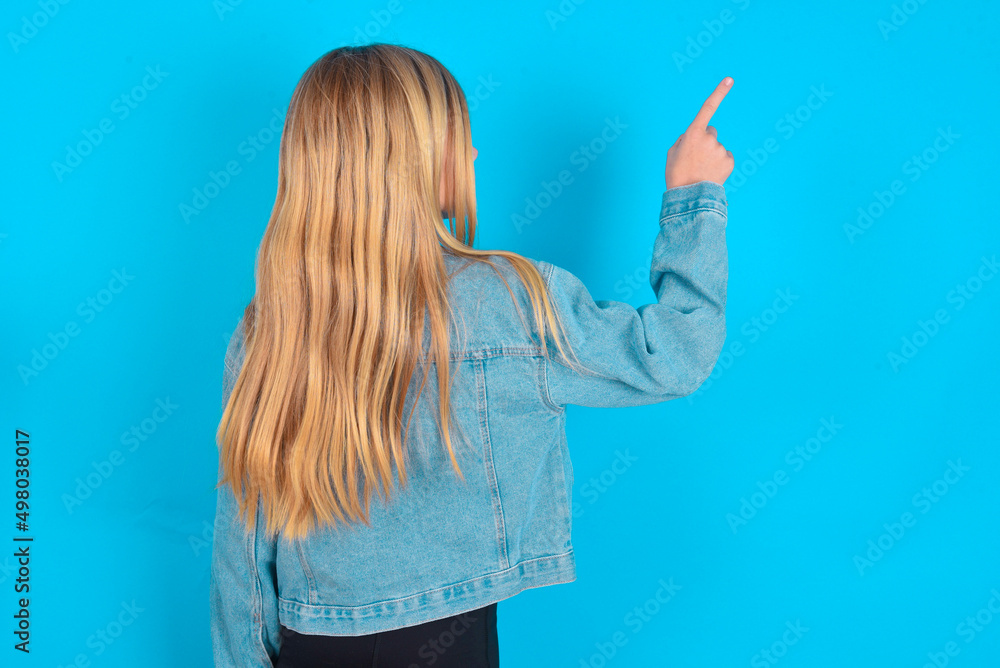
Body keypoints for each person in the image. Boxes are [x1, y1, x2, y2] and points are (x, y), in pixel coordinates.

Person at [209, 43, 733, 667]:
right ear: (420, 157)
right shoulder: (510, 301)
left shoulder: (270, 326)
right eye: (461, 135)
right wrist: (694, 193)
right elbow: (676, 351)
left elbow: (242, 544)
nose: (478, 152)